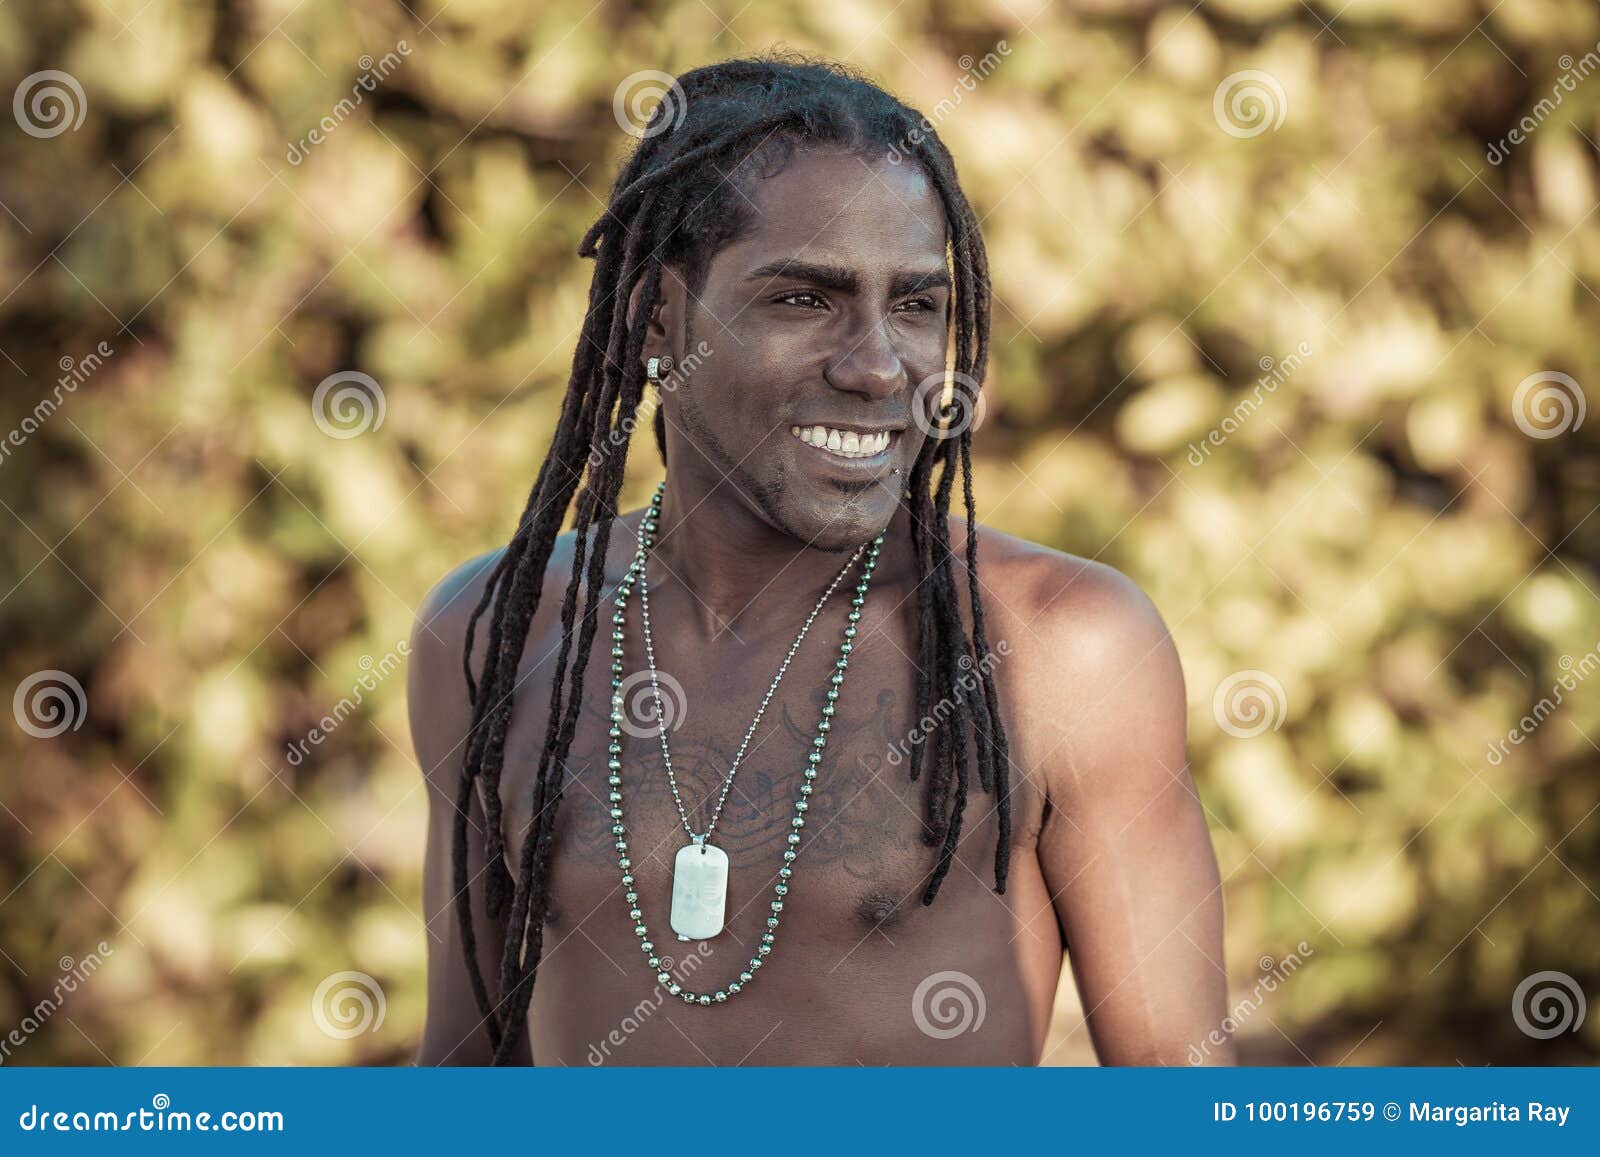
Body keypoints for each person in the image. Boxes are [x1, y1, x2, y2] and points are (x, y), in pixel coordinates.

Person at [408, 53, 1230, 1066]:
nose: (879, 364)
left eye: (918, 305)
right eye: (805, 300)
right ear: (654, 320)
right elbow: (463, 1067)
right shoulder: (500, 633)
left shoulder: (1061, 645)